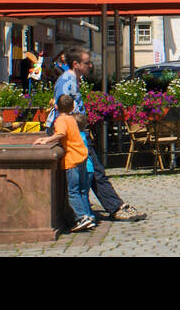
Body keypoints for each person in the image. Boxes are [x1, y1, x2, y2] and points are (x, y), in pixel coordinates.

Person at [50, 47, 147, 221]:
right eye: (87, 63)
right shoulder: (67, 82)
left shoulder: (72, 79)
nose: (90, 66)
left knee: (93, 172)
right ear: (76, 64)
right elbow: (63, 110)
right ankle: (109, 208)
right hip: (75, 135)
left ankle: (104, 207)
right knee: (94, 171)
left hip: (78, 133)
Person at [34, 93, 94, 231]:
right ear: (72, 106)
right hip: (82, 155)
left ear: (56, 106)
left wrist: (45, 140)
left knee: (72, 191)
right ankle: (88, 215)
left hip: (72, 158)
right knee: (82, 189)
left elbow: (61, 133)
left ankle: (82, 217)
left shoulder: (60, 120)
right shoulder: (71, 118)